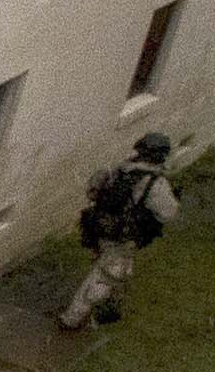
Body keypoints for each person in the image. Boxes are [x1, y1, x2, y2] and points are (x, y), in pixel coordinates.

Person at [62, 133, 179, 328]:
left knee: (119, 269)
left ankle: (109, 309)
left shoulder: (124, 168)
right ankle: (72, 319)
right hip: (122, 236)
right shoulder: (153, 183)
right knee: (106, 277)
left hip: (101, 227)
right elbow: (168, 213)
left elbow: (96, 189)